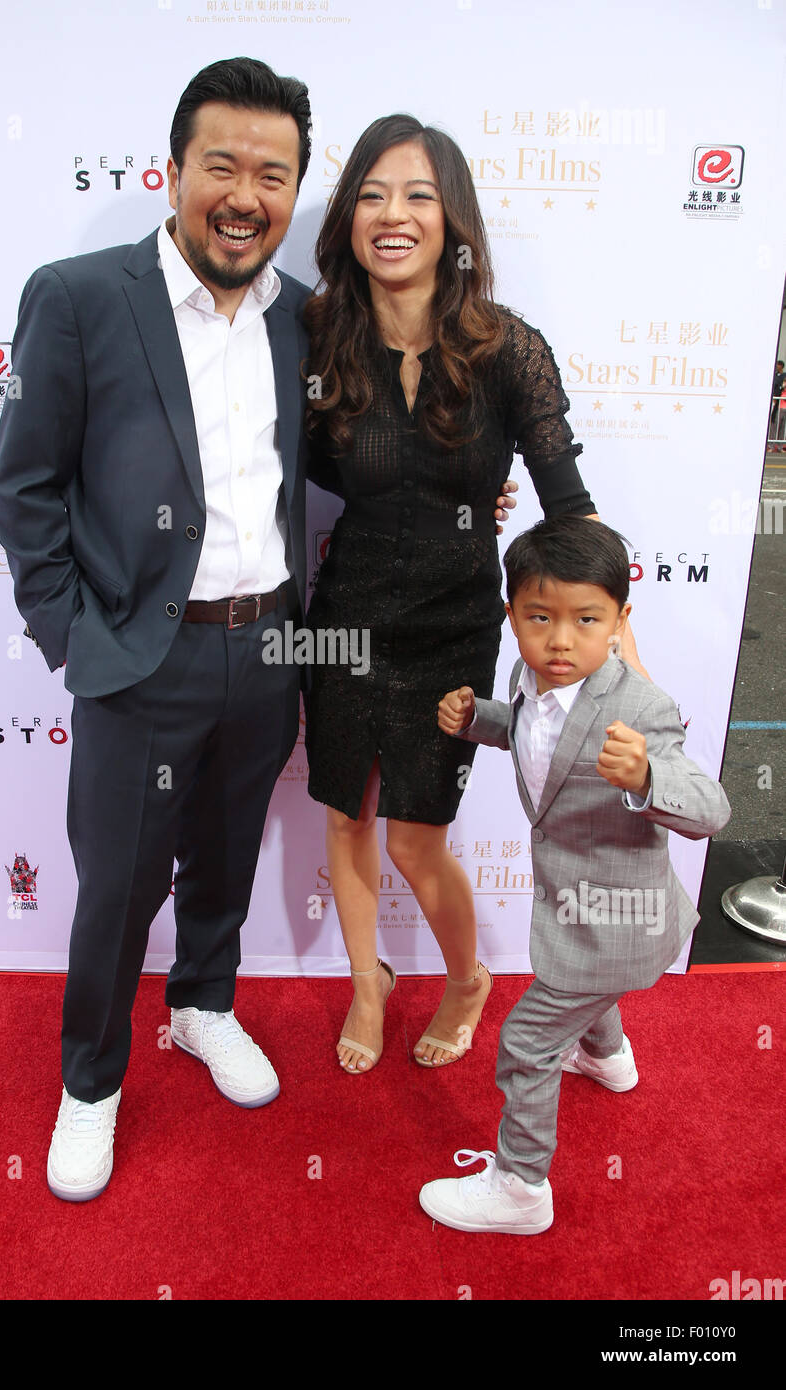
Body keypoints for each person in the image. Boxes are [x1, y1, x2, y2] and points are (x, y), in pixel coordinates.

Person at [0, 57, 317, 1202]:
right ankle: (91, 1082)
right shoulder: (81, 297)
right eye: (220, 164)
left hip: (271, 647)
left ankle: (204, 1006)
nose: (244, 194)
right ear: (172, 170)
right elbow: (25, 488)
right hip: (139, 654)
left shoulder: (303, 322)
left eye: (271, 174)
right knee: (120, 884)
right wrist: (71, 636)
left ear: (293, 191)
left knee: (226, 857)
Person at [303, 114, 645, 1075]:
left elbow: (569, 508)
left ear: (452, 221)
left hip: (452, 626)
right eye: (370, 195)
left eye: (416, 195)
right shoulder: (319, 335)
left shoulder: (504, 348)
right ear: (347, 218)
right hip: (343, 621)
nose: (391, 215)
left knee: (416, 835)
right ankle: (367, 983)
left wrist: (614, 634)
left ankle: (464, 979)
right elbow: (289, 463)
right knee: (342, 812)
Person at [420, 515, 730, 1233]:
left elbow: (711, 810)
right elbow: (536, 737)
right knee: (580, 987)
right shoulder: (526, 674)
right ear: (513, 616)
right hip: (575, 909)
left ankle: (521, 1192)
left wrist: (648, 776)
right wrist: (478, 720)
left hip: (614, 922)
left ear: (620, 619)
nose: (560, 641)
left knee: (527, 1043)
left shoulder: (640, 709)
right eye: (539, 618)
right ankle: (607, 1056)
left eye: (585, 620)